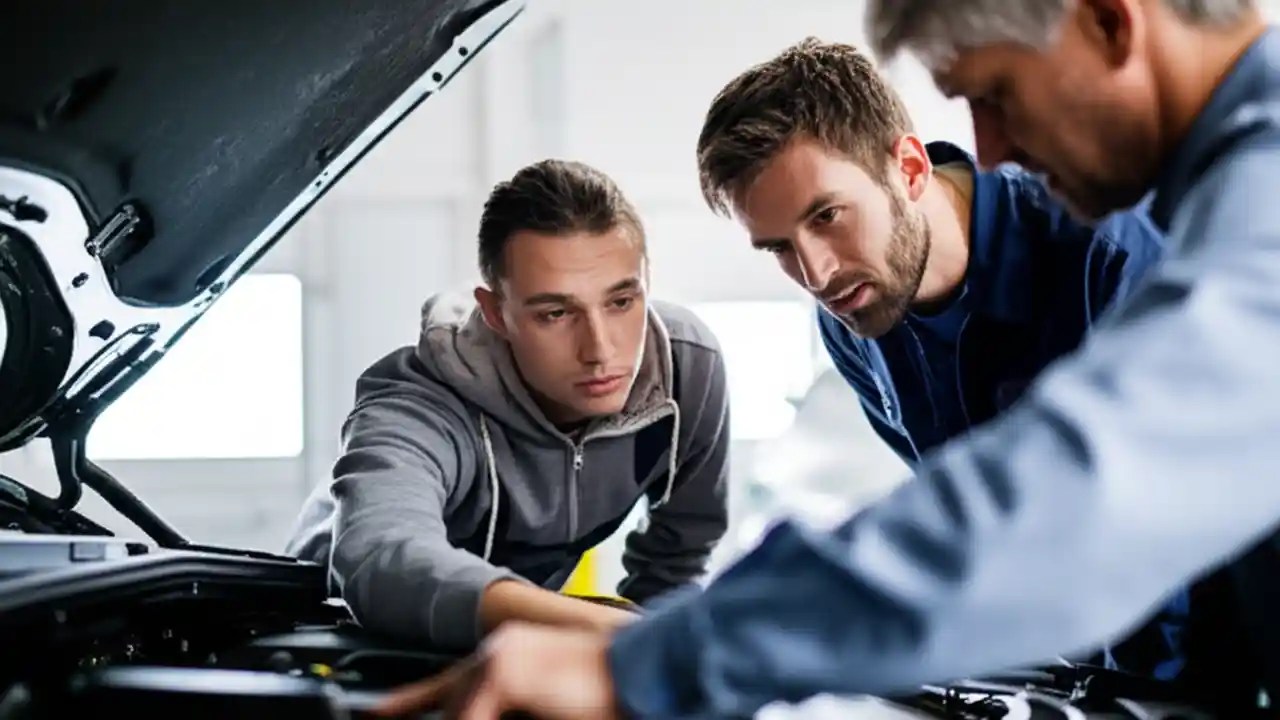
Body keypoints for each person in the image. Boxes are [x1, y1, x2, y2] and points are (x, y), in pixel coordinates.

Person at [374, 1, 1280, 718]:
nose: (995, 148)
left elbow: (1071, 503)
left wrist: (655, 663)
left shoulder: (1239, 217)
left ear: (1110, 21)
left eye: (998, 92)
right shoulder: (862, 327)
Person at [693, 39, 1176, 679]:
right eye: (778, 248)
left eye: (828, 216)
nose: (816, 271)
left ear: (911, 169)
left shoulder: (1101, 252)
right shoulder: (852, 320)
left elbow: (1166, 517)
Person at [285, 158, 731, 652]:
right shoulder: (417, 403)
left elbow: (678, 559)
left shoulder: (685, 367)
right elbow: (387, 558)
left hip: (512, 634)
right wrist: (636, 636)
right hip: (339, 632)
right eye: (556, 313)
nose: (600, 349)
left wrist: (642, 674)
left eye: (621, 302)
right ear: (496, 312)